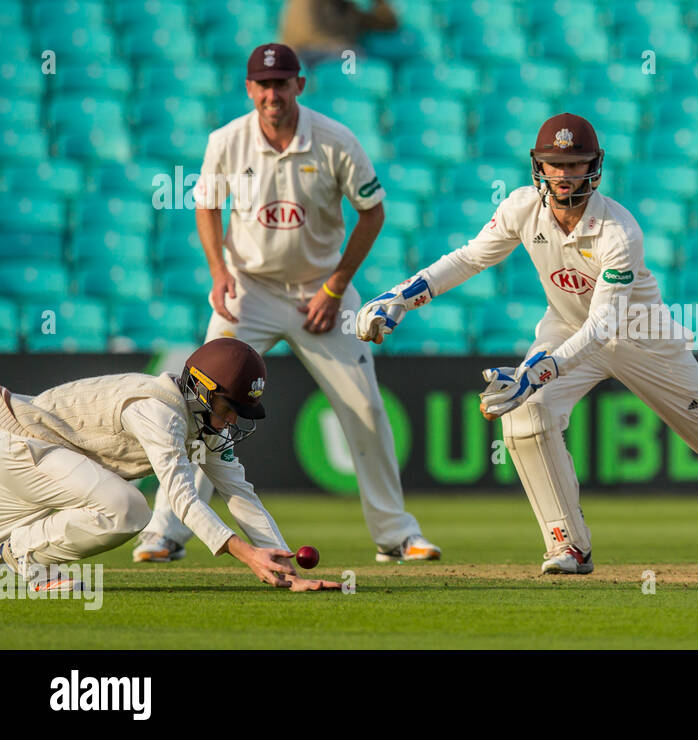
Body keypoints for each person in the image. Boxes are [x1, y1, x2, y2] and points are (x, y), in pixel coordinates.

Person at [354, 113, 698, 574]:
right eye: (555, 165)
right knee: (526, 416)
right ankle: (568, 545)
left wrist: (535, 372)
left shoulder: (619, 231)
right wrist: (402, 296)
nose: (564, 175)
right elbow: (469, 259)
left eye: (576, 164)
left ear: (594, 167)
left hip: (642, 336)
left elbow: (604, 329)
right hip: (564, 328)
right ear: (539, 167)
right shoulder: (521, 207)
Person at [134, 43, 441, 565]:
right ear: (250, 88)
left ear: (300, 85)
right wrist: (218, 270)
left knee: (365, 406)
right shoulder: (226, 141)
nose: (272, 94)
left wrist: (337, 286)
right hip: (248, 291)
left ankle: (395, 534)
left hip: (320, 291)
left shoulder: (336, 140)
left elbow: (373, 213)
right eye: (263, 85)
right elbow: (206, 205)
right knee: (197, 407)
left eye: (282, 84)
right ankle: (166, 532)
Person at [0, 338, 339, 592]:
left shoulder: (205, 420)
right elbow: (183, 499)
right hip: (17, 439)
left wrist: (284, 568)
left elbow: (240, 494)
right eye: (228, 407)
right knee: (126, 507)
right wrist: (246, 553)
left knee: (118, 503)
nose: (232, 420)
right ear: (201, 391)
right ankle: (20, 554)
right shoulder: (158, 411)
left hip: (39, 457)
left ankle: (14, 549)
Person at [281, 0, 400, 68]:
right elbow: (305, 36)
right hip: (306, 56)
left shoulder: (347, 8)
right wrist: (343, 42)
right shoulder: (307, 3)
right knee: (353, 54)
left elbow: (388, 24)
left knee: (354, 57)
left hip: (337, 57)